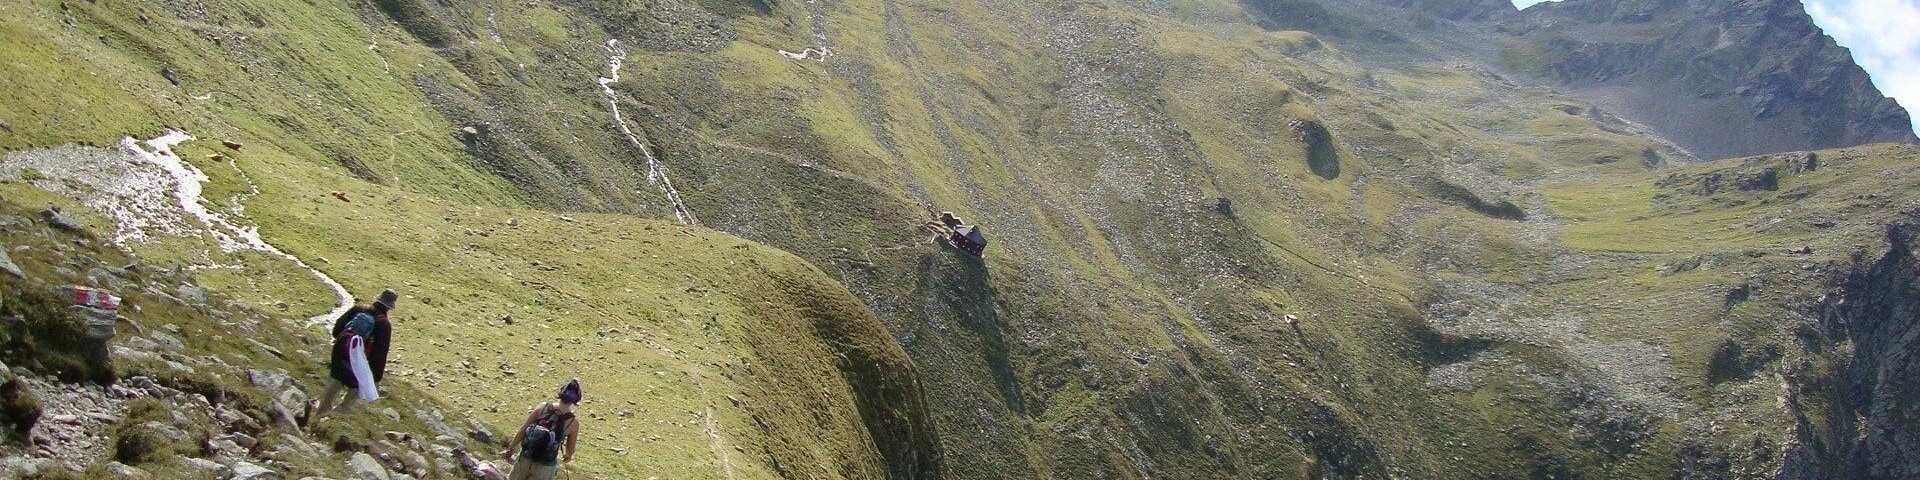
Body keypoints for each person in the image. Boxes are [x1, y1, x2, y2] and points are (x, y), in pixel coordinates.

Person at [314, 289, 398, 418]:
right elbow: (380, 354)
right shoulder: (384, 324)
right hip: (359, 359)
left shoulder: (359, 309)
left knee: (333, 385)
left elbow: (337, 330)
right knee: (354, 391)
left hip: (340, 353)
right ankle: (337, 417)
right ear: (390, 307)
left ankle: (319, 416)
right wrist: (375, 377)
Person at [502, 380, 584, 480]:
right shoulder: (573, 423)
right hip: (546, 466)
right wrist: (567, 456)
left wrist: (511, 448)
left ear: (560, 392)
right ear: (576, 399)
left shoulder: (542, 407)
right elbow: (570, 451)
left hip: (525, 457)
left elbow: (522, 430)